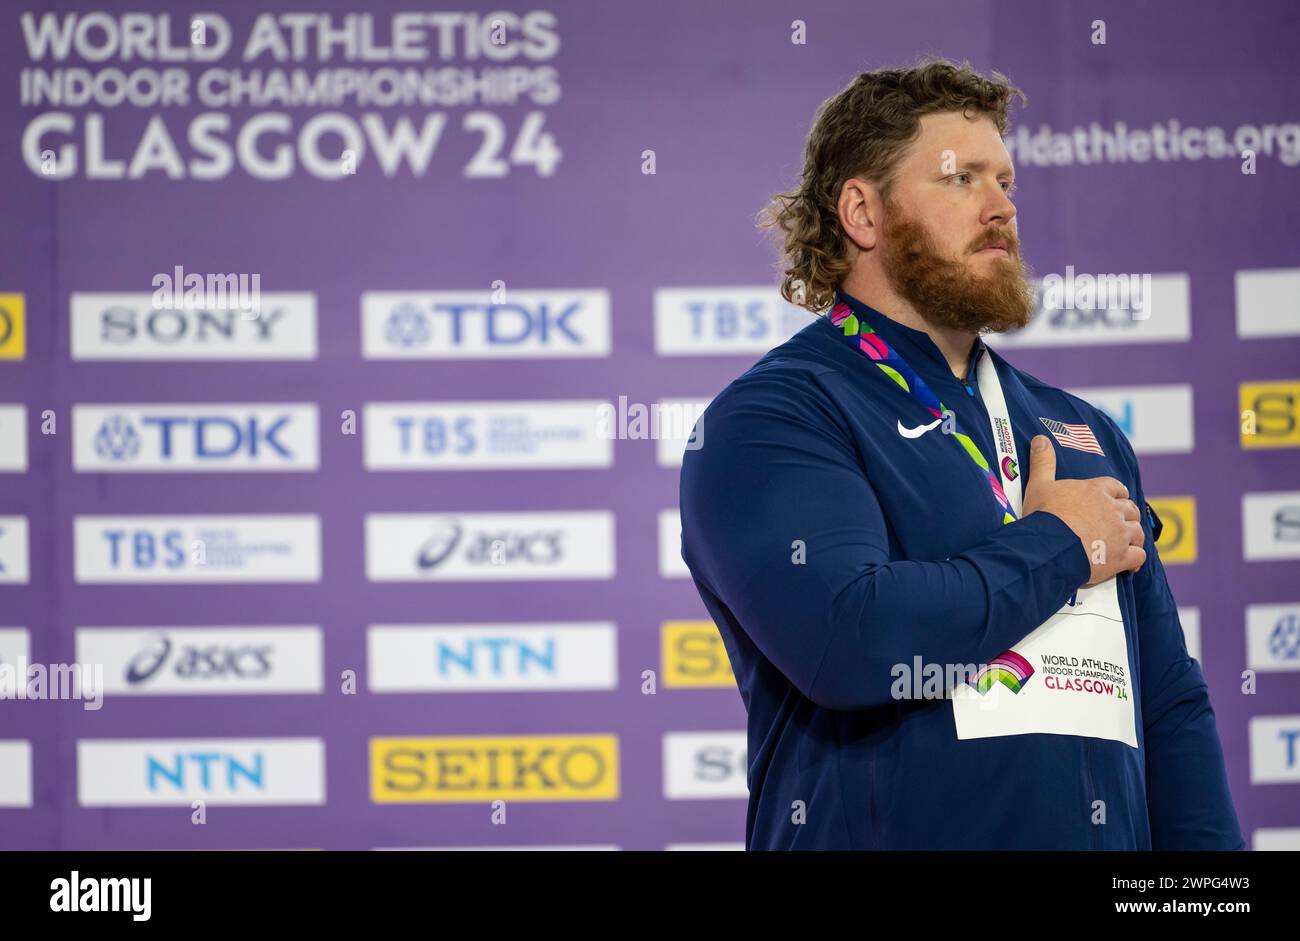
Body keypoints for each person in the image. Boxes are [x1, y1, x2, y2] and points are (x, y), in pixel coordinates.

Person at [677, 58, 1243, 850]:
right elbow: (851, 638)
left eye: (1006, 182)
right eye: (962, 178)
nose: (1002, 207)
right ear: (863, 213)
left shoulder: (1082, 431)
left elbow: (1168, 699)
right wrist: (1059, 543)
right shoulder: (775, 416)